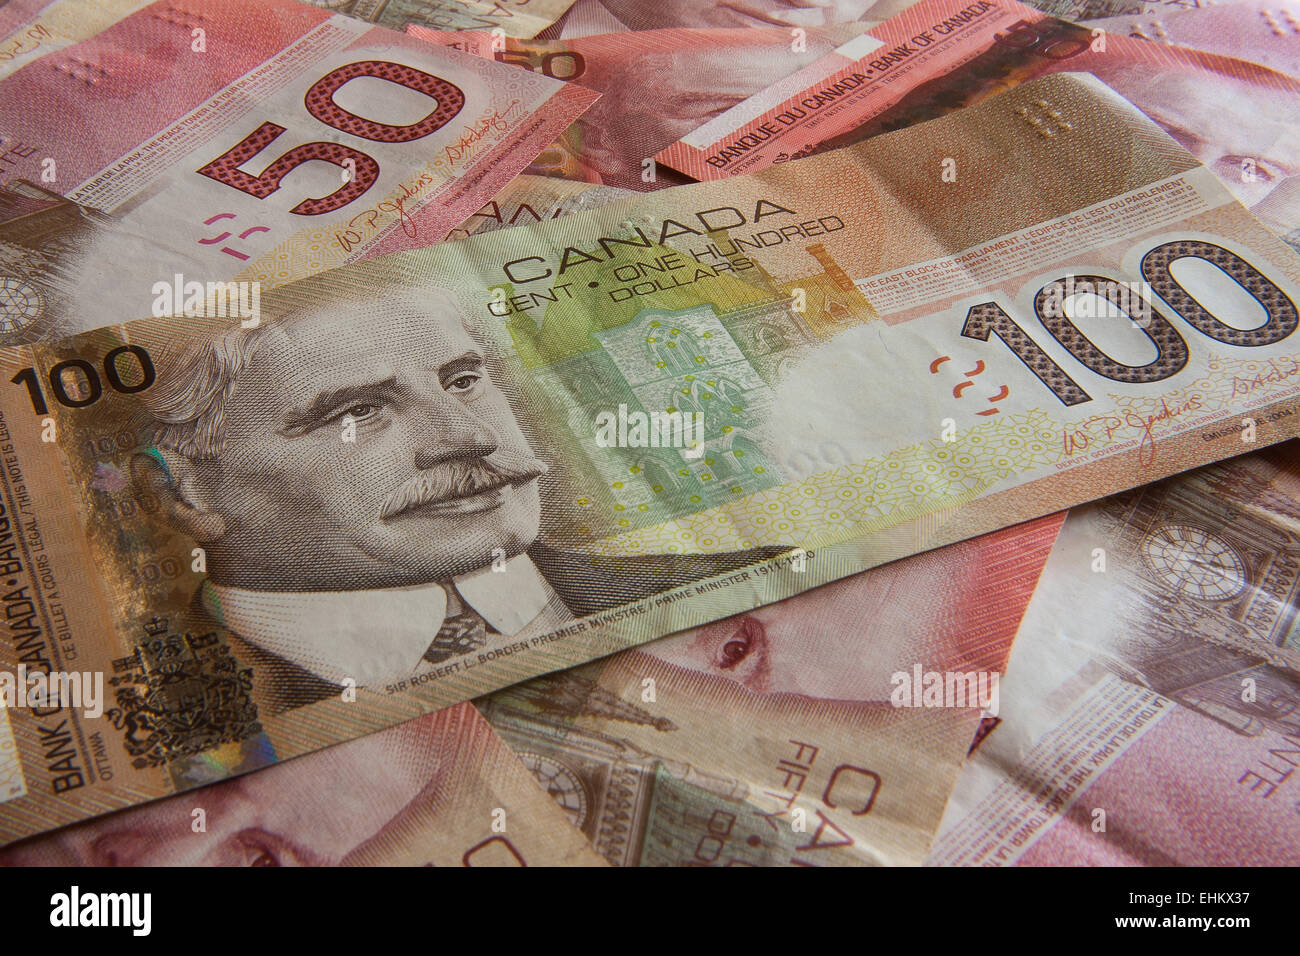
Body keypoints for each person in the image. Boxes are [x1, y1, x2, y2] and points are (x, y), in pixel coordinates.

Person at [131, 276, 779, 711]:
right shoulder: (167, 722)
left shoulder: (768, 580)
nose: (470, 436)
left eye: (463, 381)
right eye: (357, 411)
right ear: (184, 491)